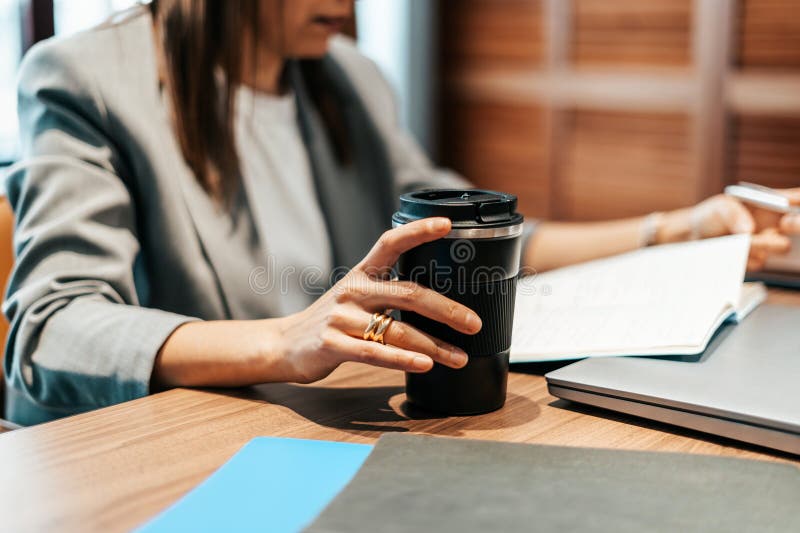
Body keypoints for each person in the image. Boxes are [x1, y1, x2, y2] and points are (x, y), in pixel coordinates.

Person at [4, 0, 799, 425]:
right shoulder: (83, 76)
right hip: (179, 448)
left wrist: (679, 227)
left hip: (346, 423)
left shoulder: (347, 77)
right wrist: (286, 339)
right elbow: (48, 328)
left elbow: (480, 238)